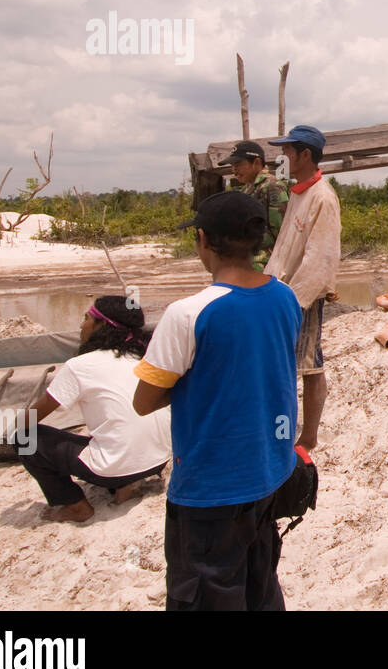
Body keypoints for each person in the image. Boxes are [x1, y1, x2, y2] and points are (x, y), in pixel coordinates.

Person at [132, 192, 301, 611]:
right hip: (269, 474)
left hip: (210, 489)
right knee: (260, 583)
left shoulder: (188, 313)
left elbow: (143, 400)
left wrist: (199, 380)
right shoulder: (285, 297)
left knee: (206, 591)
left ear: (203, 240)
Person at [17, 296, 171, 524]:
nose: (81, 325)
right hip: (157, 460)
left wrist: (10, 430)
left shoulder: (80, 365)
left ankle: (76, 507)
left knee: (24, 438)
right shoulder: (142, 358)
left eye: (86, 318)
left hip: (118, 466)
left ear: (102, 326)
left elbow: (32, 418)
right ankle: (124, 486)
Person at [265, 124, 341, 453]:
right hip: (281, 292)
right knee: (290, 364)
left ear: (305, 155)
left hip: (298, 298)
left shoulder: (323, 197)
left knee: (309, 365)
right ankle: (287, 431)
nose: (285, 158)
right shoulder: (300, 193)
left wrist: (293, 303)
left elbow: (319, 259)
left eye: (289, 152)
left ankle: (307, 438)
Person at [224, 139, 289, 270]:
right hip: (248, 258)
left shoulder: (272, 186)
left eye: (239, 164)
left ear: (257, 163)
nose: (234, 170)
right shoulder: (247, 188)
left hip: (266, 263)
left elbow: (281, 231)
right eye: (233, 166)